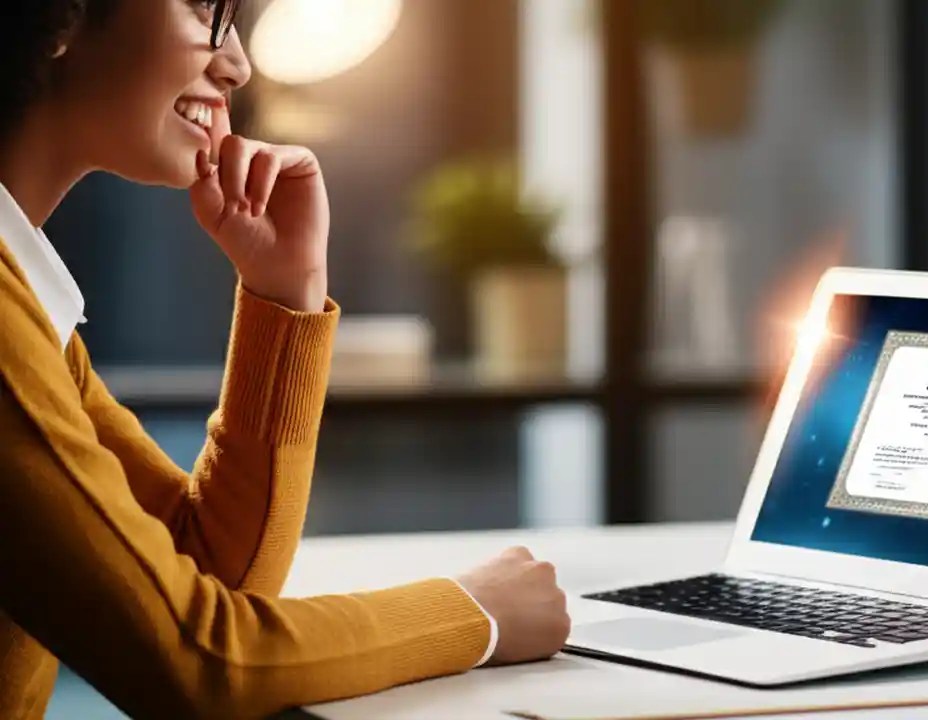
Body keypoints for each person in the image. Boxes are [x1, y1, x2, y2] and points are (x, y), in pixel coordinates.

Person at [0, 1, 571, 717]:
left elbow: (209, 572)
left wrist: (285, 295)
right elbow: (198, 661)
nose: (236, 62)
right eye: (205, 8)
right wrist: (475, 615)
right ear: (60, 16)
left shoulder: (29, 311)